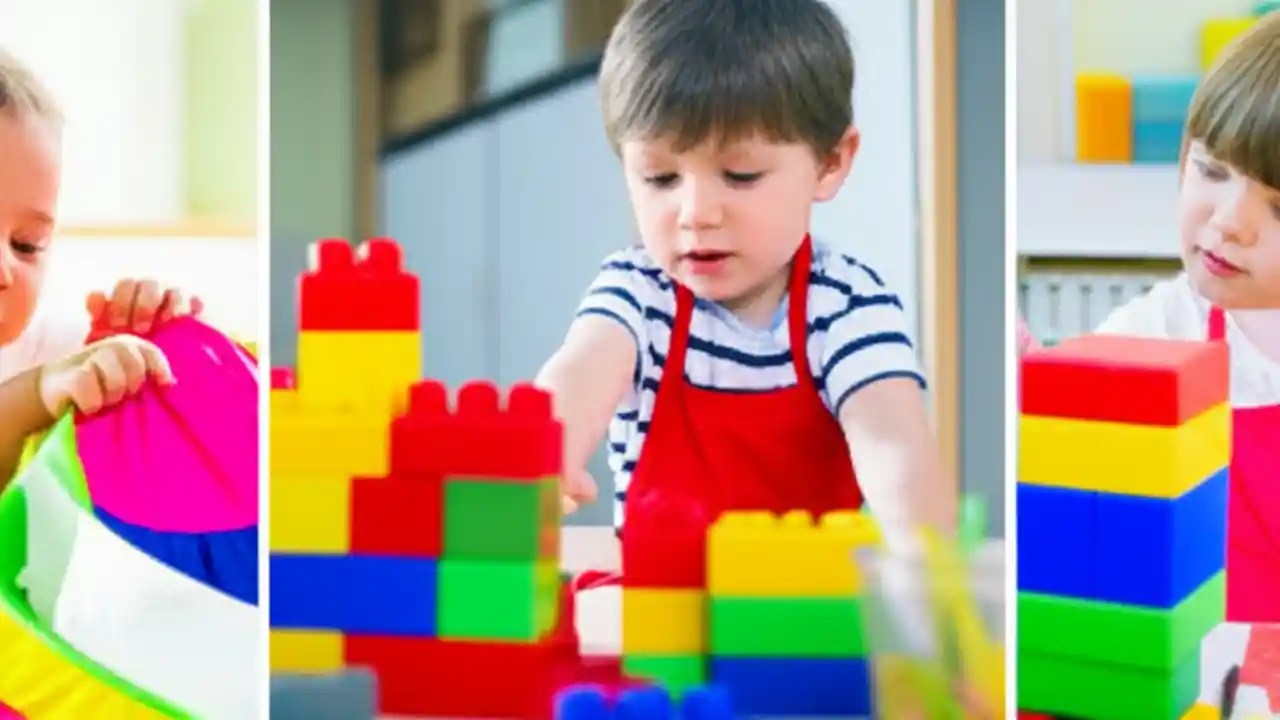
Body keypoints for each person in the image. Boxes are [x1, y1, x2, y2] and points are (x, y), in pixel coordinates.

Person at [535, 0, 954, 555]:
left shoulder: (847, 307)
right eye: (660, 178)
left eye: (740, 175)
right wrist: (542, 453)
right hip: (662, 613)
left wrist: (921, 553)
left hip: (802, 618)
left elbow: (892, 439)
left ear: (830, 163)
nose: (696, 212)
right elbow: (578, 374)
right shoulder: (636, 294)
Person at [1024, 14, 1280, 621]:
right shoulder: (1168, 325)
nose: (1227, 222)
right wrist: (1032, 381)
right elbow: (1070, 406)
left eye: (1277, 206)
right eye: (1211, 170)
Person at [0, 48, 199, 486]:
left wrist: (150, 345)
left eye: (26, 245)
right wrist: (32, 396)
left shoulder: (42, 347)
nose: (4, 269)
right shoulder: (43, 376)